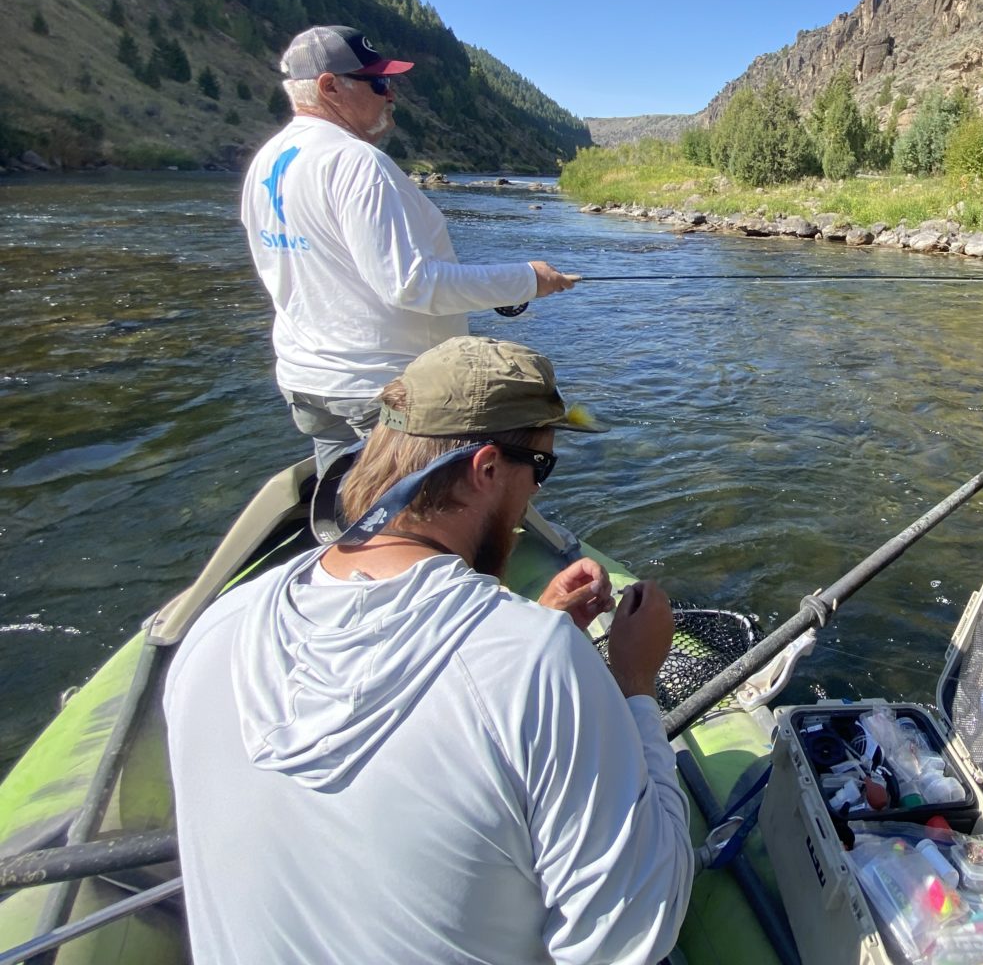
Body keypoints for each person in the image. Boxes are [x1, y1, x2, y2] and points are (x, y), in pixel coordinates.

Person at [164, 335, 692, 964]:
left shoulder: (222, 623)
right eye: (540, 469)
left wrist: (533, 622)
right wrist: (634, 684)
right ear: (487, 470)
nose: (536, 496)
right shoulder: (535, 665)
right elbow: (633, 935)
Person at [241, 24, 581, 471]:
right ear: (329, 88)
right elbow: (413, 284)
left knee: (346, 503)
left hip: (309, 381)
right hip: (380, 389)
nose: (391, 95)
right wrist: (528, 279)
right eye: (379, 82)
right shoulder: (356, 162)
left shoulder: (267, 160)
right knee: (412, 518)